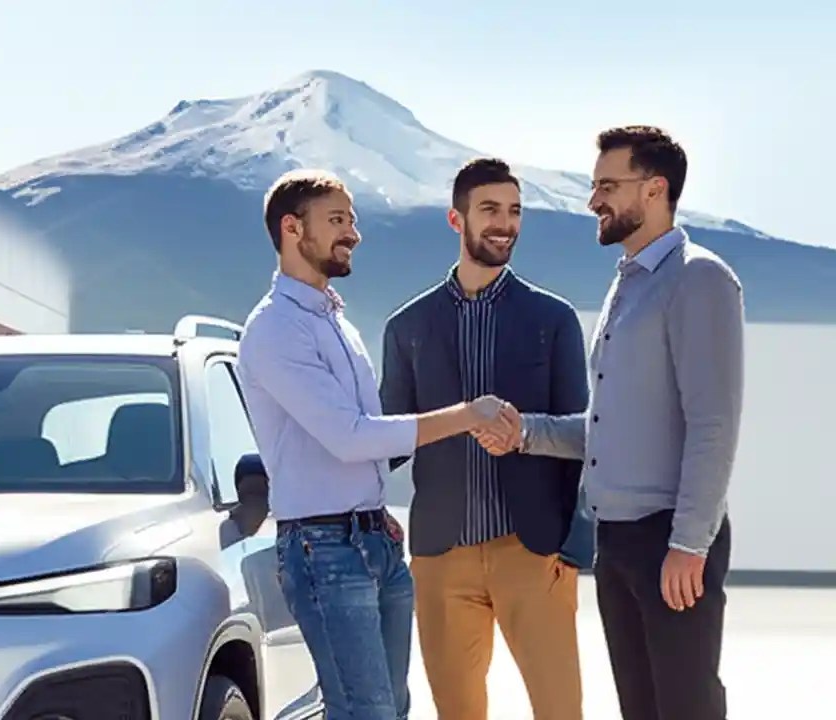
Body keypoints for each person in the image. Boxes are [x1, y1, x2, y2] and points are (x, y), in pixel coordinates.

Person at [475, 126, 744, 720]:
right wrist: (525, 432)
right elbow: (610, 429)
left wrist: (689, 543)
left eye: (606, 185)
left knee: (687, 709)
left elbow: (713, 424)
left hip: (669, 539)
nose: (593, 199)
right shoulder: (627, 284)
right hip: (617, 540)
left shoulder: (698, 279)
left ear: (654, 189)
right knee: (640, 710)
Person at [236, 168, 506, 720]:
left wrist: (374, 507)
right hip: (324, 550)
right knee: (368, 712)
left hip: (371, 541)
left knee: (390, 710)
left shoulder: (335, 319)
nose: (353, 233)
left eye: (352, 220)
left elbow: (367, 435)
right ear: (292, 228)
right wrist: (467, 414)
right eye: (336, 220)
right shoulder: (275, 329)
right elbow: (350, 436)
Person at [379, 158, 590, 720]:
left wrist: (573, 547)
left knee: (559, 709)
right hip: (441, 555)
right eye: (490, 209)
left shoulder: (554, 319)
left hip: (533, 550)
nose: (505, 223)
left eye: (515, 211)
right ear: (457, 219)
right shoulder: (408, 327)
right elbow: (388, 440)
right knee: (457, 711)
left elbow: (586, 437)